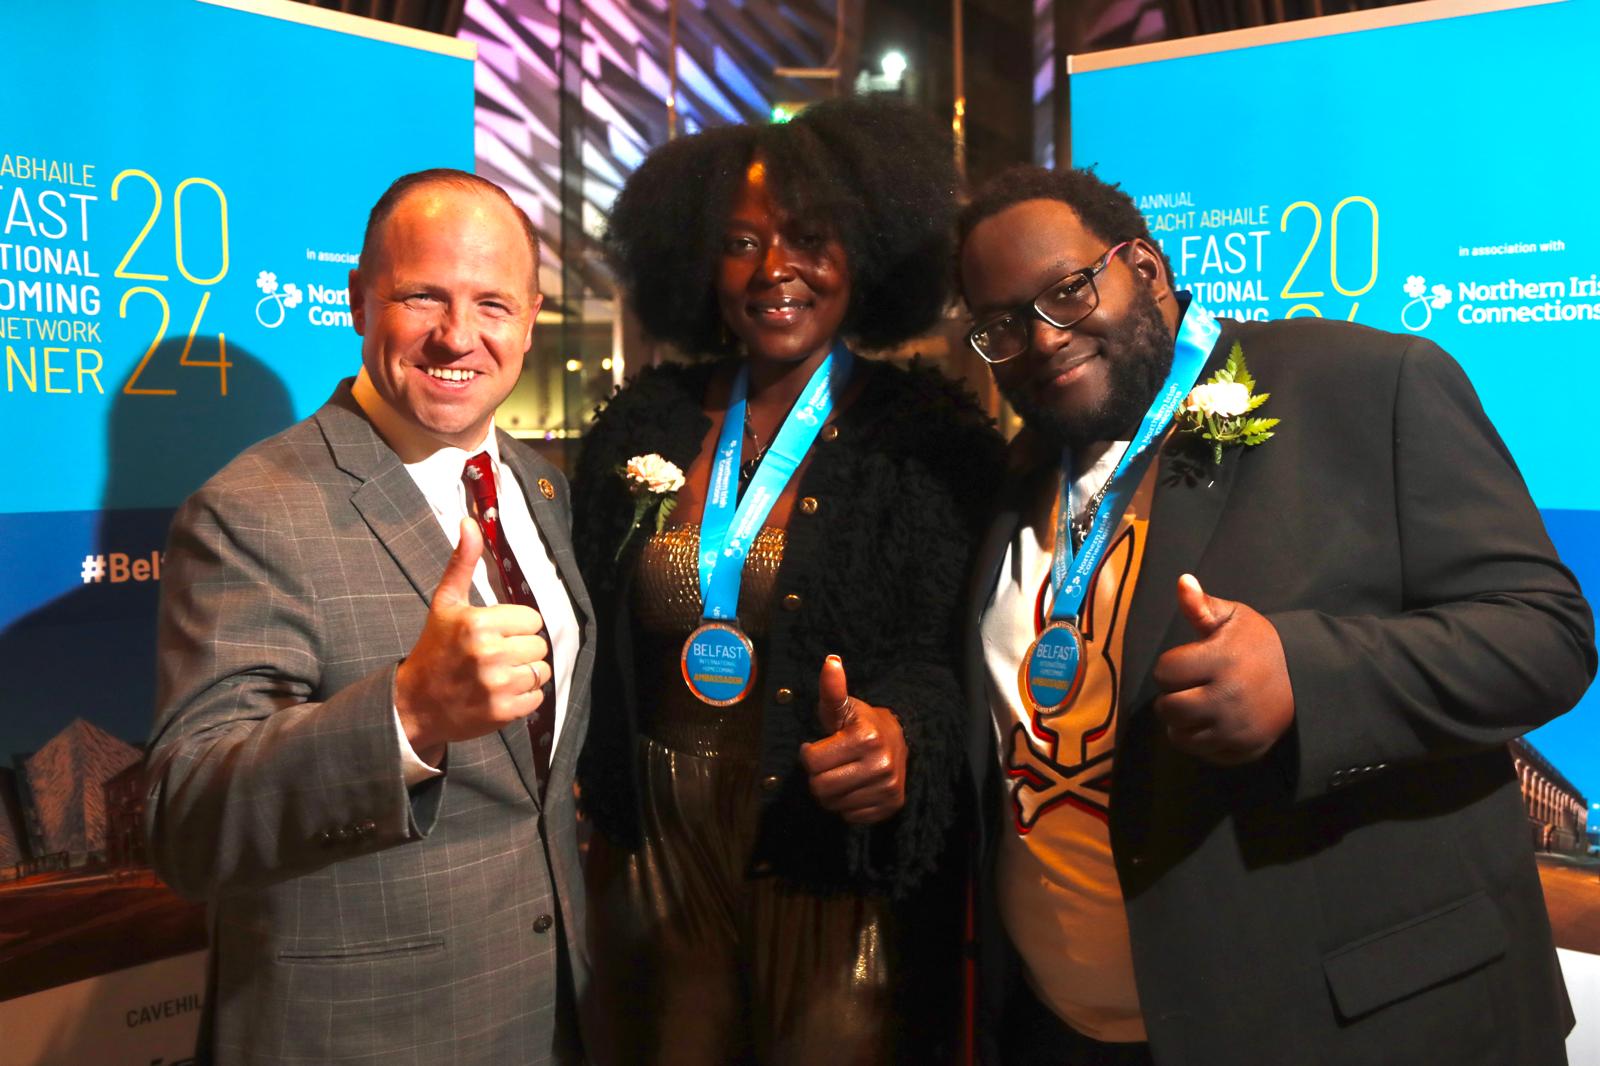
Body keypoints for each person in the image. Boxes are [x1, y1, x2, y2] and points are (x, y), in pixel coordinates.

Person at [956, 164, 1596, 1066]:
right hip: (1070, 1032)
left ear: (1141, 264)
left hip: (1345, 1025)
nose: (1043, 338)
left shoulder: (1364, 383)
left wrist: (1306, 675)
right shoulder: (1020, 473)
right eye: (1002, 325)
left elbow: (1549, 632)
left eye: (1068, 290)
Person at [572, 98, 1004, 1065]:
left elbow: (954, 660)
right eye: (739, 241)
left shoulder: (927, 442)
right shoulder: (641, 426)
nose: (775, 270)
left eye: (811, 238)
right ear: (694, 259)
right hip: (657, 871)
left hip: (826, 870)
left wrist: (903, 736)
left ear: (869, 250)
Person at [145, 169, 594, 1065]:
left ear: (532, 318)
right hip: (360, 1033)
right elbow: (183, 819)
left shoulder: (540, 485)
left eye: (492, 304)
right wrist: (409, 715)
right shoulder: (249, 508)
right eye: (422, 295)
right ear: (357, 301)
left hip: (545, 1015)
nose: (457, 335)